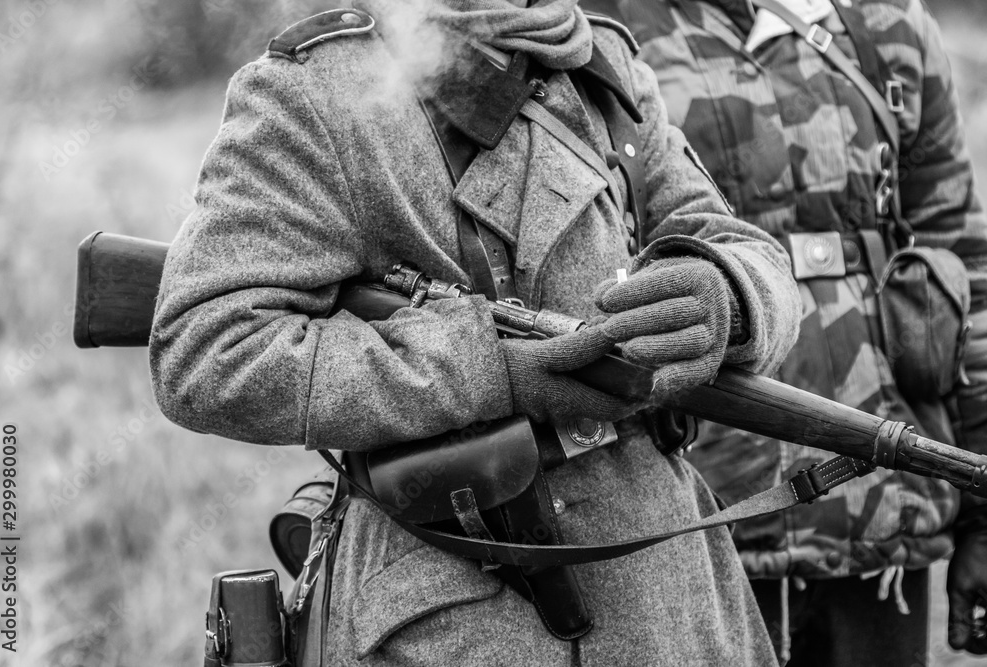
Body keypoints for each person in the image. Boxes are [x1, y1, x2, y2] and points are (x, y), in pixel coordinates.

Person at [148, 0, 802, 664]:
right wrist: (489, 367)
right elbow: (206, 348)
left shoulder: (598, 57)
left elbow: (735, 243)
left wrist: (728, 294)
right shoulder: (314, 87)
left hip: (671, 592)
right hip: (452, 603)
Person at [600, 0, 987, 664]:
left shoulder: (886, 26)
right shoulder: (600, 26)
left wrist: (984, 508)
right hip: (687, 526)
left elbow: (968, 272)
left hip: (880, 518)